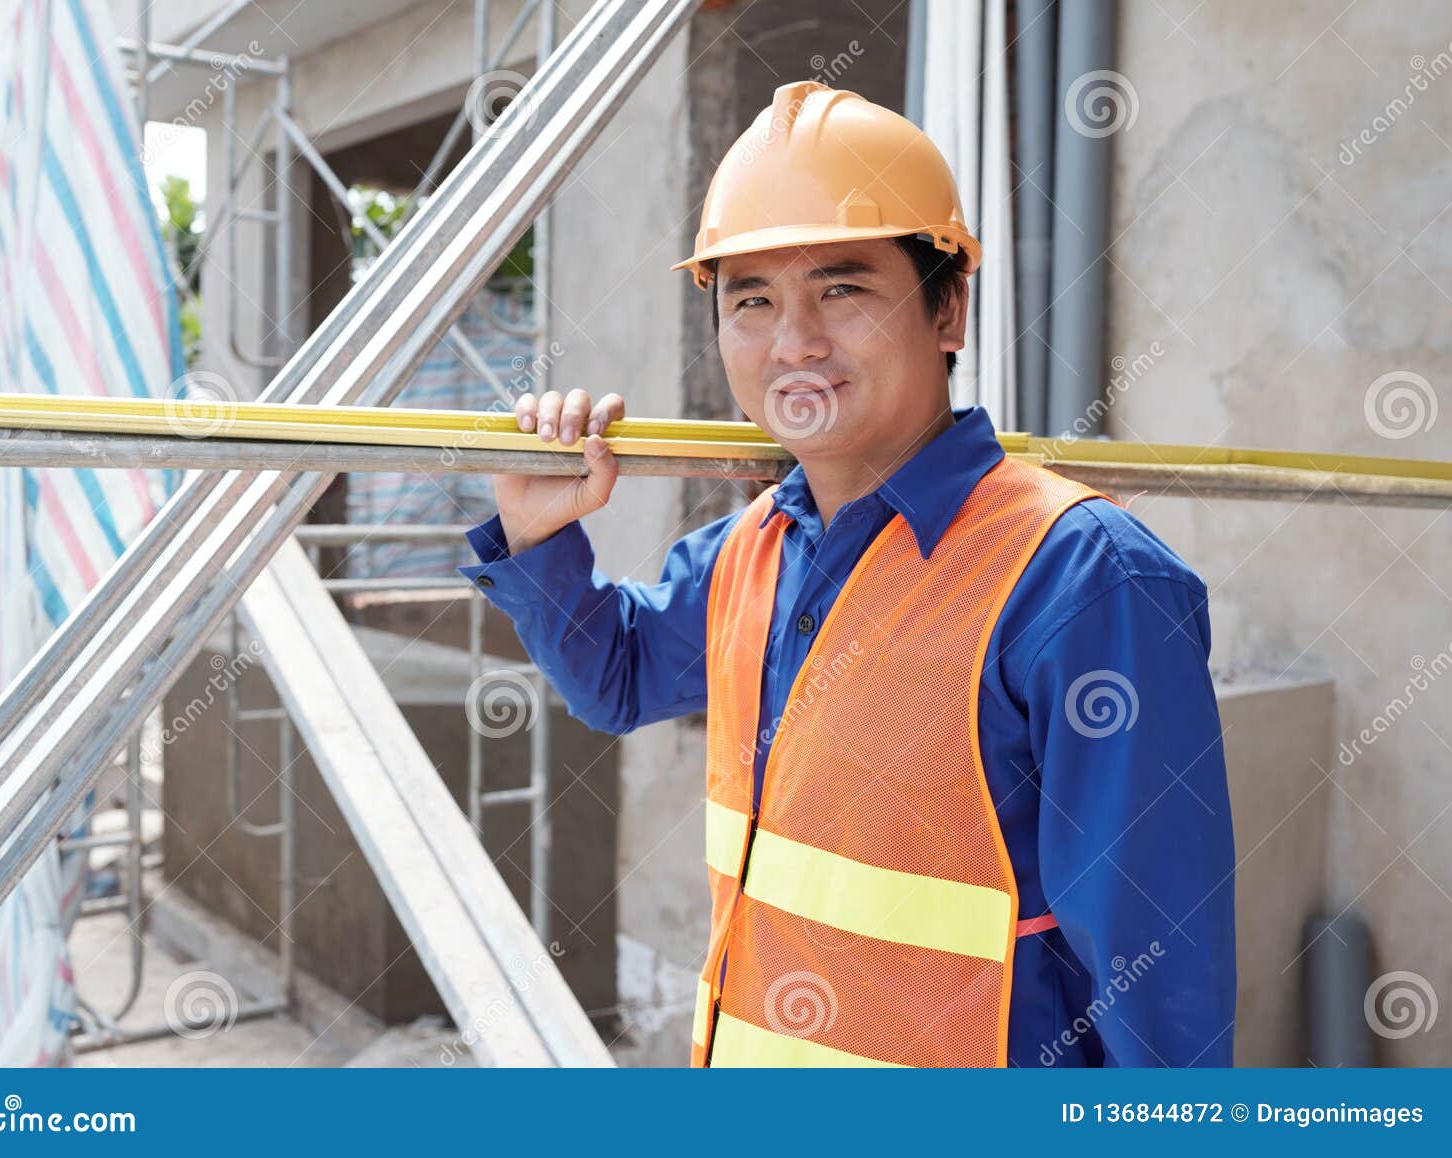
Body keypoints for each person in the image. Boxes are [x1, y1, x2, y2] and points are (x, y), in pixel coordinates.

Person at [459, 81, 1236, 1068]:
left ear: (948, 306)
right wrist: (538, 540)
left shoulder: (1082, 582)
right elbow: (615, 679)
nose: (794, 342)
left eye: (842, 288)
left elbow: (1158, 986)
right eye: (751, 299)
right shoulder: (752, 549)